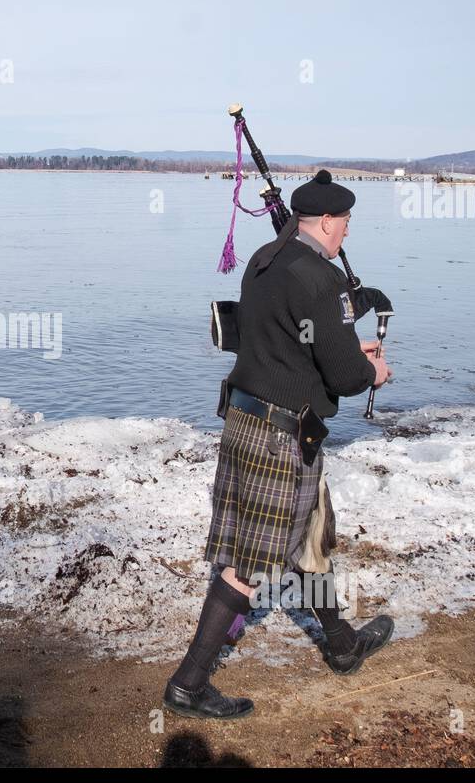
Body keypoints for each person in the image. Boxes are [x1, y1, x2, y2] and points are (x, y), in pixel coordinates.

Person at [164, 170, 395, 721]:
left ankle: (340, 644)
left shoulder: (266, 260)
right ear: (327, 222)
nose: (346, 233)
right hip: (281, 437)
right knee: (249, 562)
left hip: (245, 419)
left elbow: (282, 334)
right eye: (344, 223)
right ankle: (188, 684)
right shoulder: (321, 279)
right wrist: (373, 369)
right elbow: (342, 377)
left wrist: (344, 342)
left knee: (311, 534)